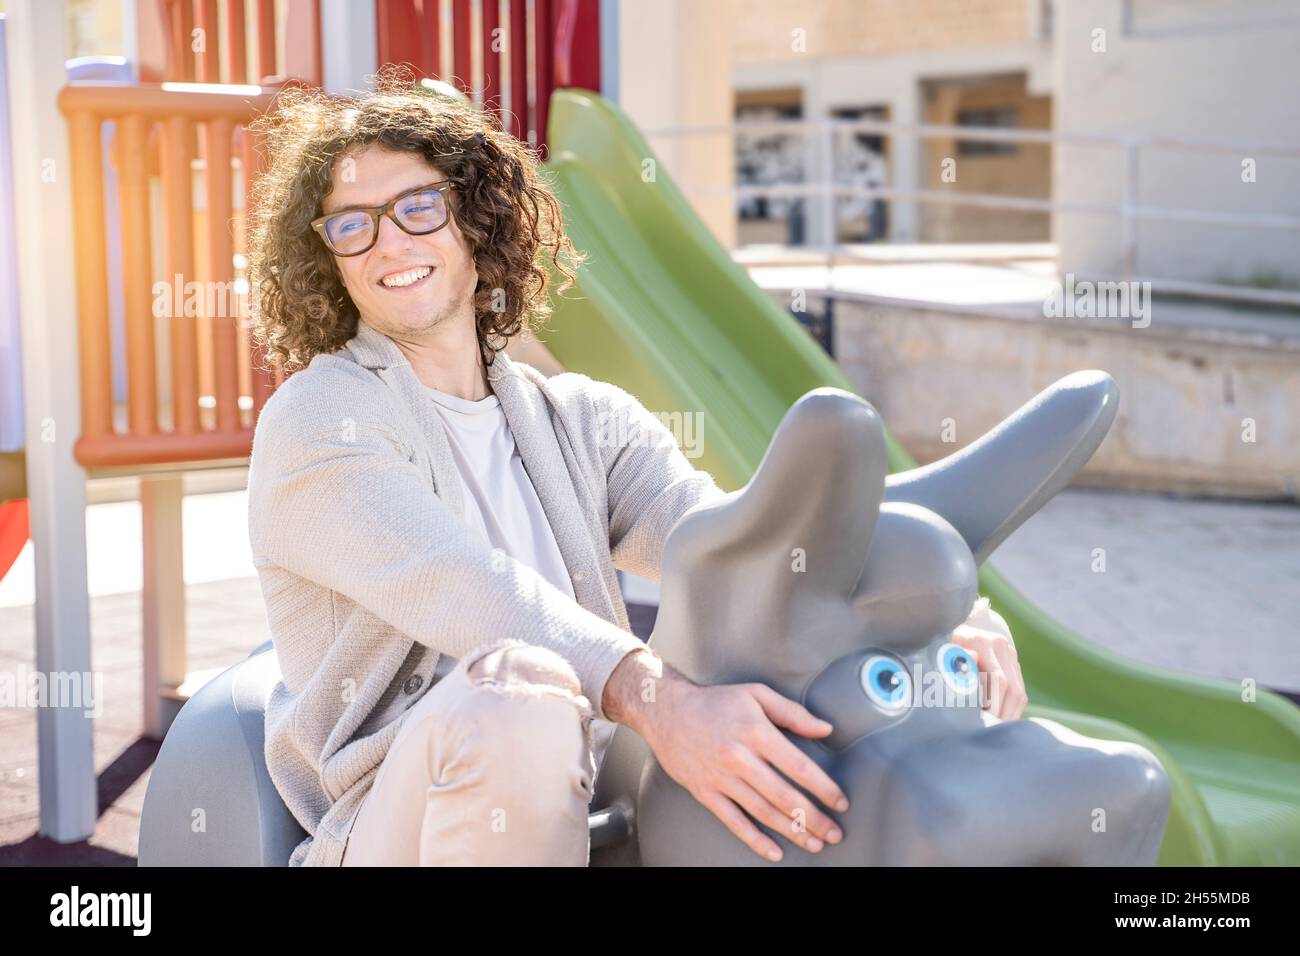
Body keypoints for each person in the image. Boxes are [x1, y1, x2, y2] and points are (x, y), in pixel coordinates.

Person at [244, 69, 1027, 867]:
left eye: (418, 207)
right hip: (397, 829)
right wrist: (661, 701)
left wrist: (921, 597)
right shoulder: (317, 421)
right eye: (351, 227)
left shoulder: (579, 417)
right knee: (519, 695)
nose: (390, 243)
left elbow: (736, 545)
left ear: (476, 220)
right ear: (328, 260)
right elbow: (458, 582)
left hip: (595, 808)